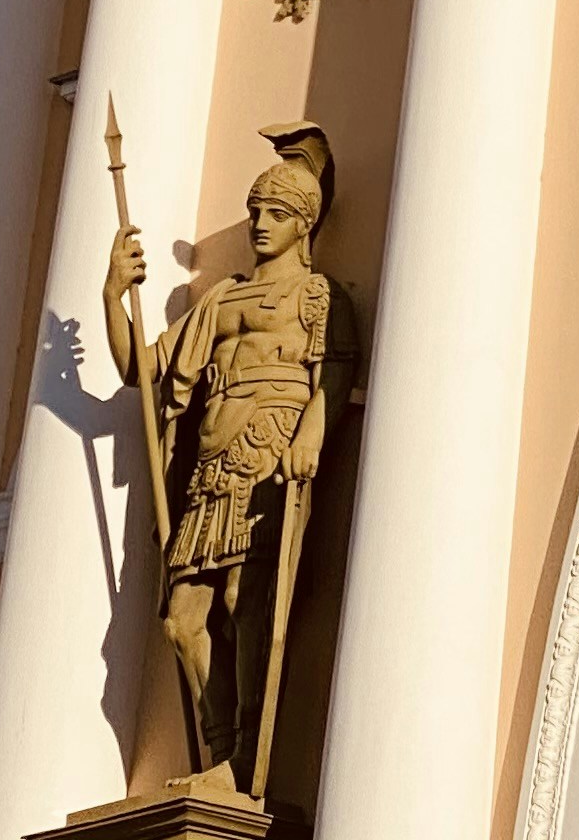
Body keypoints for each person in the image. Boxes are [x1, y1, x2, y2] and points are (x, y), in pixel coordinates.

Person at [104, 129, 354, 784]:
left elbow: (332, 375)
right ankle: (221, 750)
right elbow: (145, 370)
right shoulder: (221, 299)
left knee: (250, 601)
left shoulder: (320, 298)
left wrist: (310, 435)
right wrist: (113, 295)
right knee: (183, 621)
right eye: (254, 213)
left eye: (275, 214)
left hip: (271, 448)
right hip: (214, 458)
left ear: (304, 224)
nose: (259, 225)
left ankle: (240, 761)